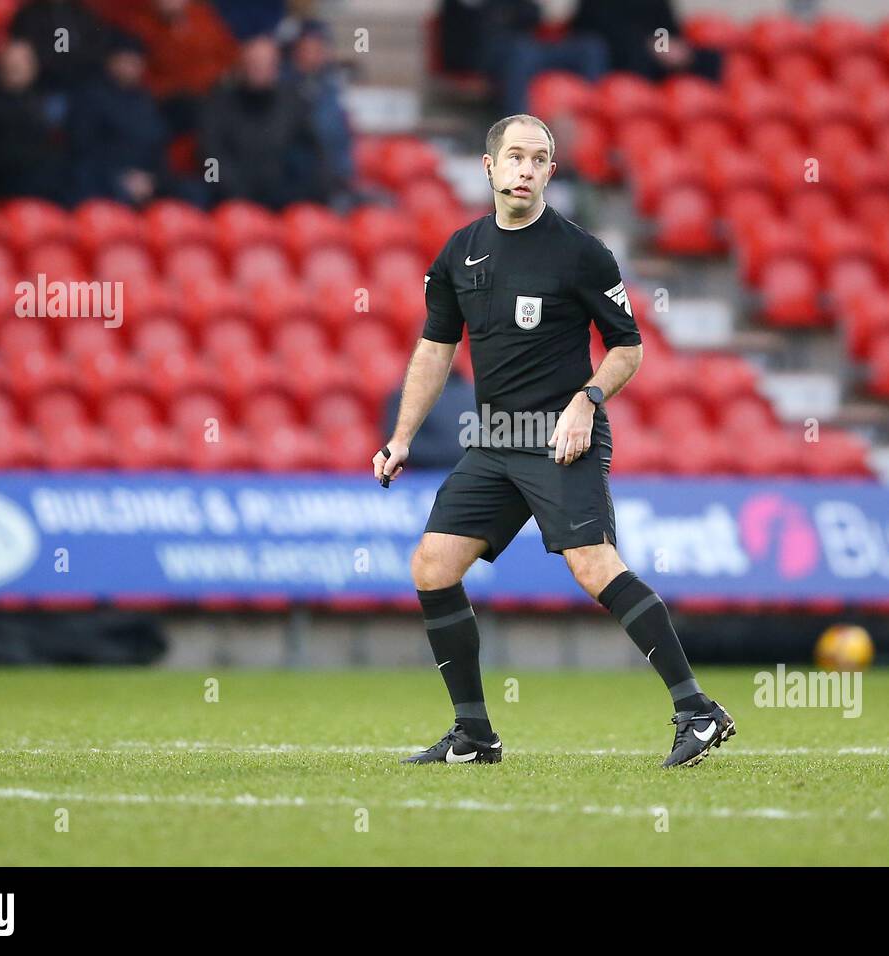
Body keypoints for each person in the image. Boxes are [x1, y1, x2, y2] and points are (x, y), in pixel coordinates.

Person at [374, 114, 735, 769]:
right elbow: (435, 348)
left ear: (549, 172)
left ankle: (697, 710)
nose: (525, 169)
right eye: (514, 157)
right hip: (496, 440)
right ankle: (474, 735)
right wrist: (401, 437)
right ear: (489, 167)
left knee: (593, 567)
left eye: (539, 159)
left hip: (562, 436)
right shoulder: (460, 252)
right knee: (431, 564)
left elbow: (629, 347)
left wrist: (587, 399)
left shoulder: (580, 253)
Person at [89, 0, 237, 133]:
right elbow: (144, 76)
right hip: (176, 100)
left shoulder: (203, 16)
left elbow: (229, 52)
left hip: (218, 89)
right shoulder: (141, 26)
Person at [438, 0, 607, 117]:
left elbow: (544, 17)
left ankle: (593, 118)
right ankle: (517, 126)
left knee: (591, 48)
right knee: (521, 52)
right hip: (492, 55)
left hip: (533, 49)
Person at [199, 35, 305, 208]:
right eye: (254, 64)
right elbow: (210, 158)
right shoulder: (219, 104)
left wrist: (292, 192)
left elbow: (307, 155)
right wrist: (230, 191)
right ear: (242, 66)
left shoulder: (293, 104)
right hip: (230, 200)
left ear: (276, 68)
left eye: (267, 64)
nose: (260, 70)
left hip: (284, 201)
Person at [68, 31, 171, 205]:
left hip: (146, 179)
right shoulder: (90, 96)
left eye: (137, 62)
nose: (133, 67)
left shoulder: (145, 100)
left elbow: (158, 146)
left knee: (189, 190)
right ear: (111, 61)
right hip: (105, 177)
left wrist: (152, 179)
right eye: (127, 60)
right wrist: (121, 176)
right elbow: (82, 147)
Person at [0, 40, 70, 203]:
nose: (18, 69)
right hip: (9, 185)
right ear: (0, 67)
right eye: (13, 65)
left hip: (48, 185)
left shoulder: (37, 102)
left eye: (24, 64)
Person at [281, 19, 353, 207]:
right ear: (297, 50)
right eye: (310, 47)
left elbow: (340, 140)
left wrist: (343, 174)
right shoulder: (283, 89)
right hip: (295, 186)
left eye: (321, 47)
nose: (317, 54)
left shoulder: (330, 87)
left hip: (333, 180)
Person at [571, 0, 722, 82]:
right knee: (635, 55)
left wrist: (664, 46)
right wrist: (648, 44)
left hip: (657, 51)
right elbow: (593, 27)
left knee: (710, 58)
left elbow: (665, 28)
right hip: (618, 54)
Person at [8, 0, 112, 94]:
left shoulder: (81, 11)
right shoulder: (29, 15)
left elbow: (97, 45)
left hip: (87, 81)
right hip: (48, 87)